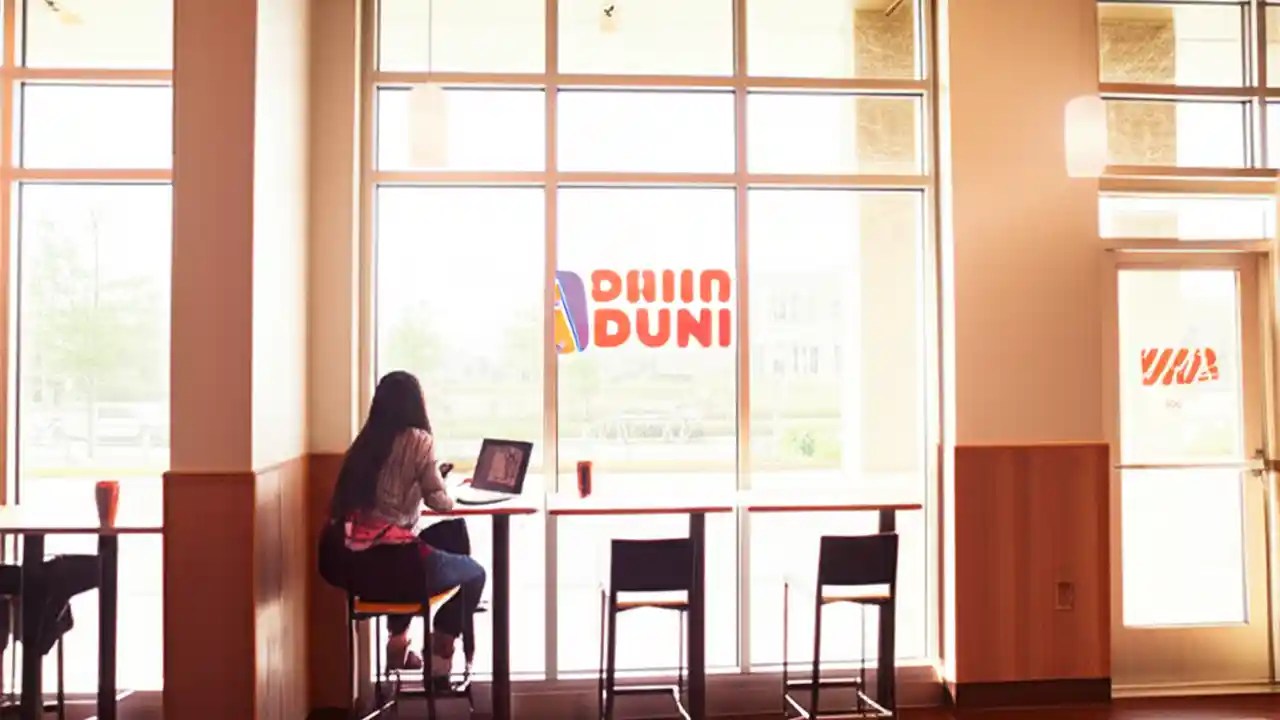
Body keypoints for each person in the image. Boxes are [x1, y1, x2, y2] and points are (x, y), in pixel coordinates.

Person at [328, 371, 486, 684]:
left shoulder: (364, 444)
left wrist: (424, 478)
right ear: (416, 404)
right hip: (397, 562)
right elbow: (440, 503)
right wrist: (444, 485)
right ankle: (440, 658)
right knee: (474, 573)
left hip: (358, 567)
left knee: (451, 535)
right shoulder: (419, 439)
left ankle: (397, 643)